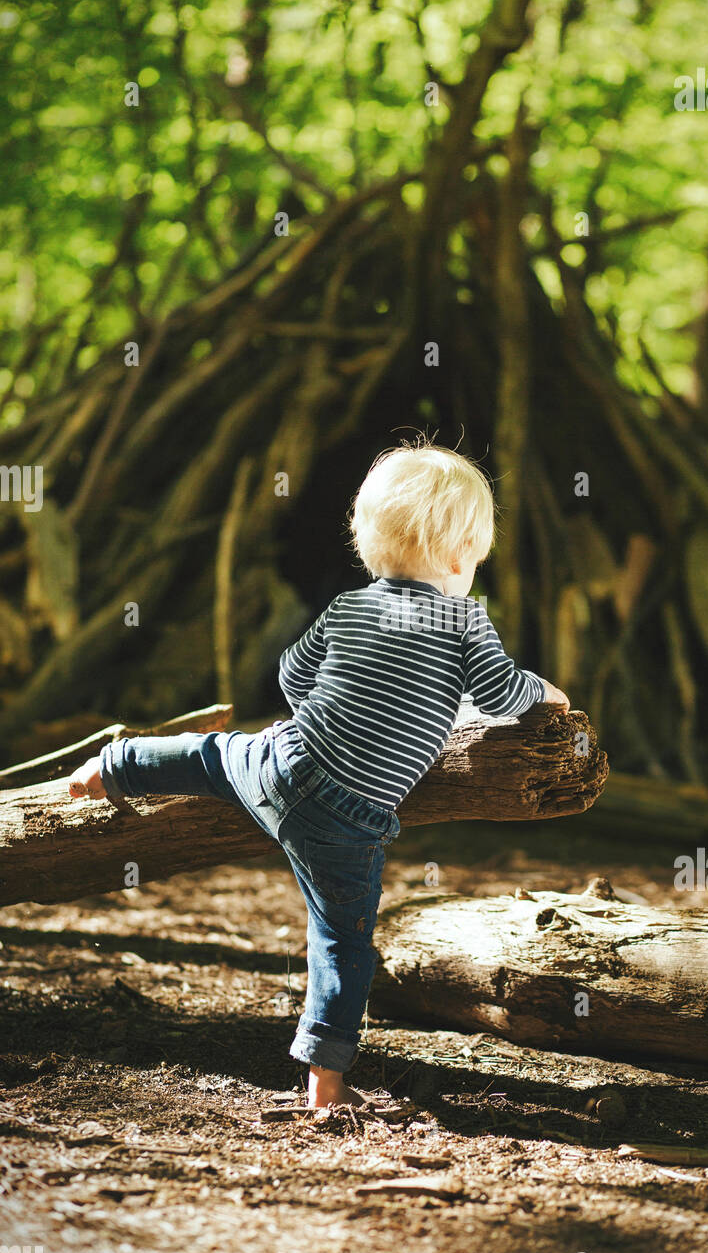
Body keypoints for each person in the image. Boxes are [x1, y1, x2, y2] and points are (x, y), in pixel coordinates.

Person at [68, 439, 570, 1107]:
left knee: (207, 757)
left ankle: (111, 766)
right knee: (342, 942)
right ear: (459, 555)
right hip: (347, 819)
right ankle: (324, 1080)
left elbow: (293, 675)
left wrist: (338, 719)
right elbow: (503, 694)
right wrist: (550, 693)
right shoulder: (464, 624)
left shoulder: (346, 607)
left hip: (282, 762)